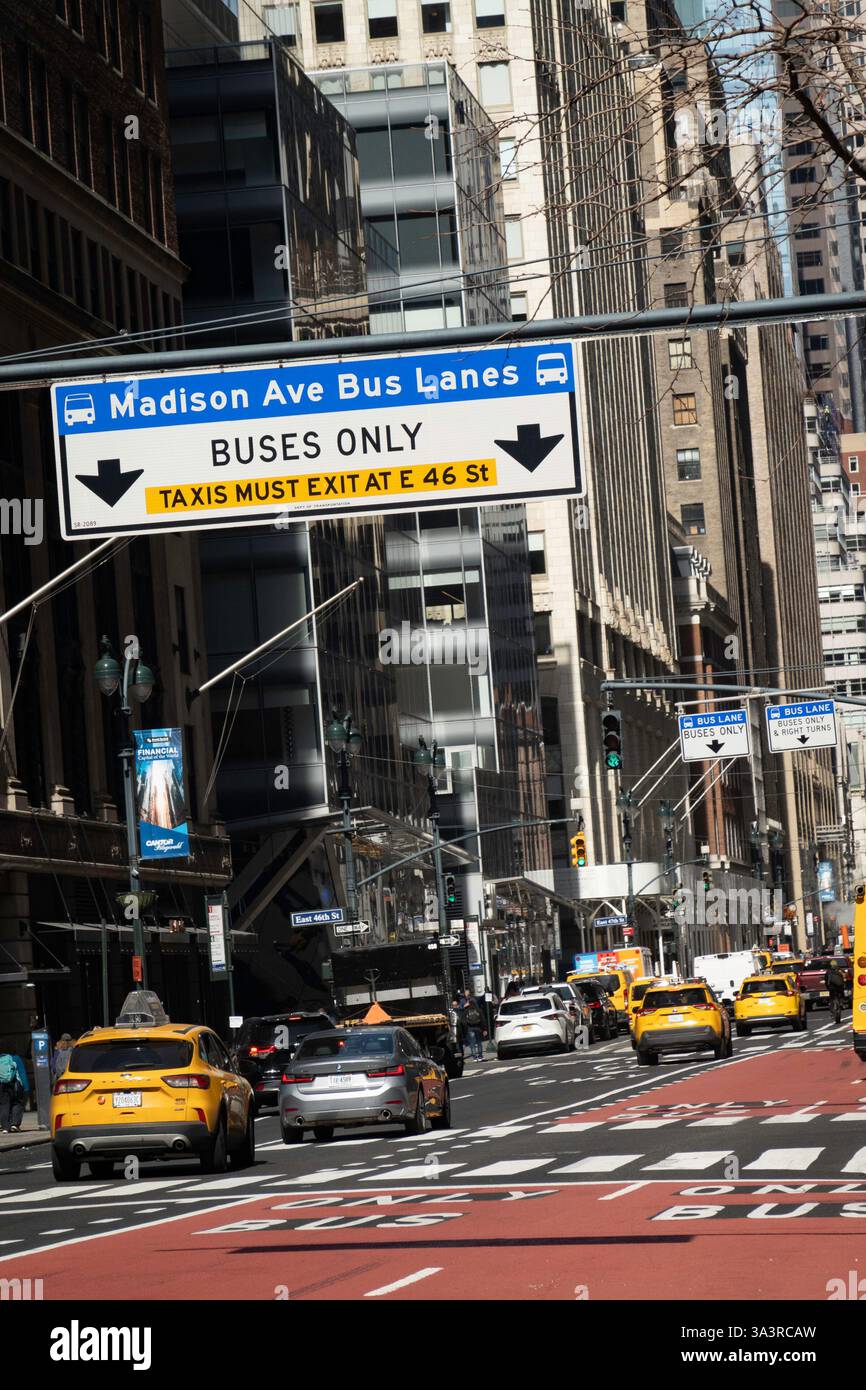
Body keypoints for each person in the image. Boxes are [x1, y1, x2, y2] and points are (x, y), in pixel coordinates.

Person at [0, 1051, 23, 1134]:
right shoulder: (14, 1059)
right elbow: (21, 1073)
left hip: (2, 1086)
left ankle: (5, 1127)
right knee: (17, 1103)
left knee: (3, 1106)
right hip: (13, 1085)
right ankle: (15, 1124)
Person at [462, 990, 485, 1061]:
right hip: (478, 1027)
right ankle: (480, 1056)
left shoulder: (466, 1010)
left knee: (472, 1043)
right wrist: (484, 1028)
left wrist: (466, 1028)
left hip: (470, 1028)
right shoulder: (478, 1010)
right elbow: (483, 1019)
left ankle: (475, 1057)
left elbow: (464, 1020)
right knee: (479, 1042)